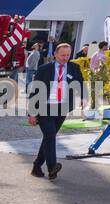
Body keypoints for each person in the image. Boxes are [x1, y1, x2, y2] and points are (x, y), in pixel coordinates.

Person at [26, 42, 85, 180]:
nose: (65, 58)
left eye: (68, 55)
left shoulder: (74, 68)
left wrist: (83, 97)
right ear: (55, 54)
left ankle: (36, 166)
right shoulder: (44, 69)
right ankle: (52, 166)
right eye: (63, 55)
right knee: (50, 135)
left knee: (48, 138)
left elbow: (80, 83)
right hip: (44, 108)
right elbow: (35, 91)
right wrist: (32, 113)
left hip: (62, 108)